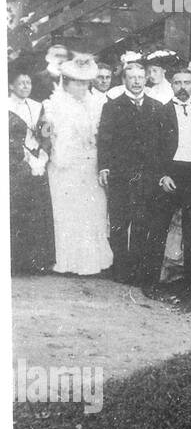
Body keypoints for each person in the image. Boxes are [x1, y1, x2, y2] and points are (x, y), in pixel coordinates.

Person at [148, 65, 191, 297]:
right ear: (171, 85)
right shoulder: (160, 113)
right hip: (171, 174)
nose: (182, 88)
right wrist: (162, 175)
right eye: (177, 83)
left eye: (187, 83)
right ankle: (151, 280)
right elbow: (152, 150)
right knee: (158, 228)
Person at [97, 58, 165, 286]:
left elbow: (161, 143)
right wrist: (104, 166)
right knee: (119, 221)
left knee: (141, 221)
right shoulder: (112, 106)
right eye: (132, 78)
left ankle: (136, 269)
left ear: (146, 79)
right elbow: (104, 140)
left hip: (146, 175)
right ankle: (120, 269)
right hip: (121, 174)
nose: (136, 82)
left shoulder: (156, 107)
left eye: (140, 77)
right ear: (124, 80)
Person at [44, 54, 113, 275]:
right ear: (66, 83)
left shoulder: (95, 103)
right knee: (69, 210)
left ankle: (92, 260)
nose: (81, 87)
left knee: (92, 209)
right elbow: (52, 136)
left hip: (89, 162)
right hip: (65, 163)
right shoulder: (54, 104)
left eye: (85, 82)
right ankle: (69, 260)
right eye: (76, 82)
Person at [8, 67, 56, 273]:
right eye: (21, 83)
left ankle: (35, 262)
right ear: (11, 85)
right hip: (15, 165)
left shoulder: (38, 107)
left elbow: (46, 134)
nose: (26, 87)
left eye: (28, 83)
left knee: (37, 212)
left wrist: (41, 157)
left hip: (37, 162)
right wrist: (25, 157)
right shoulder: (6, 106)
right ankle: (15, 262)